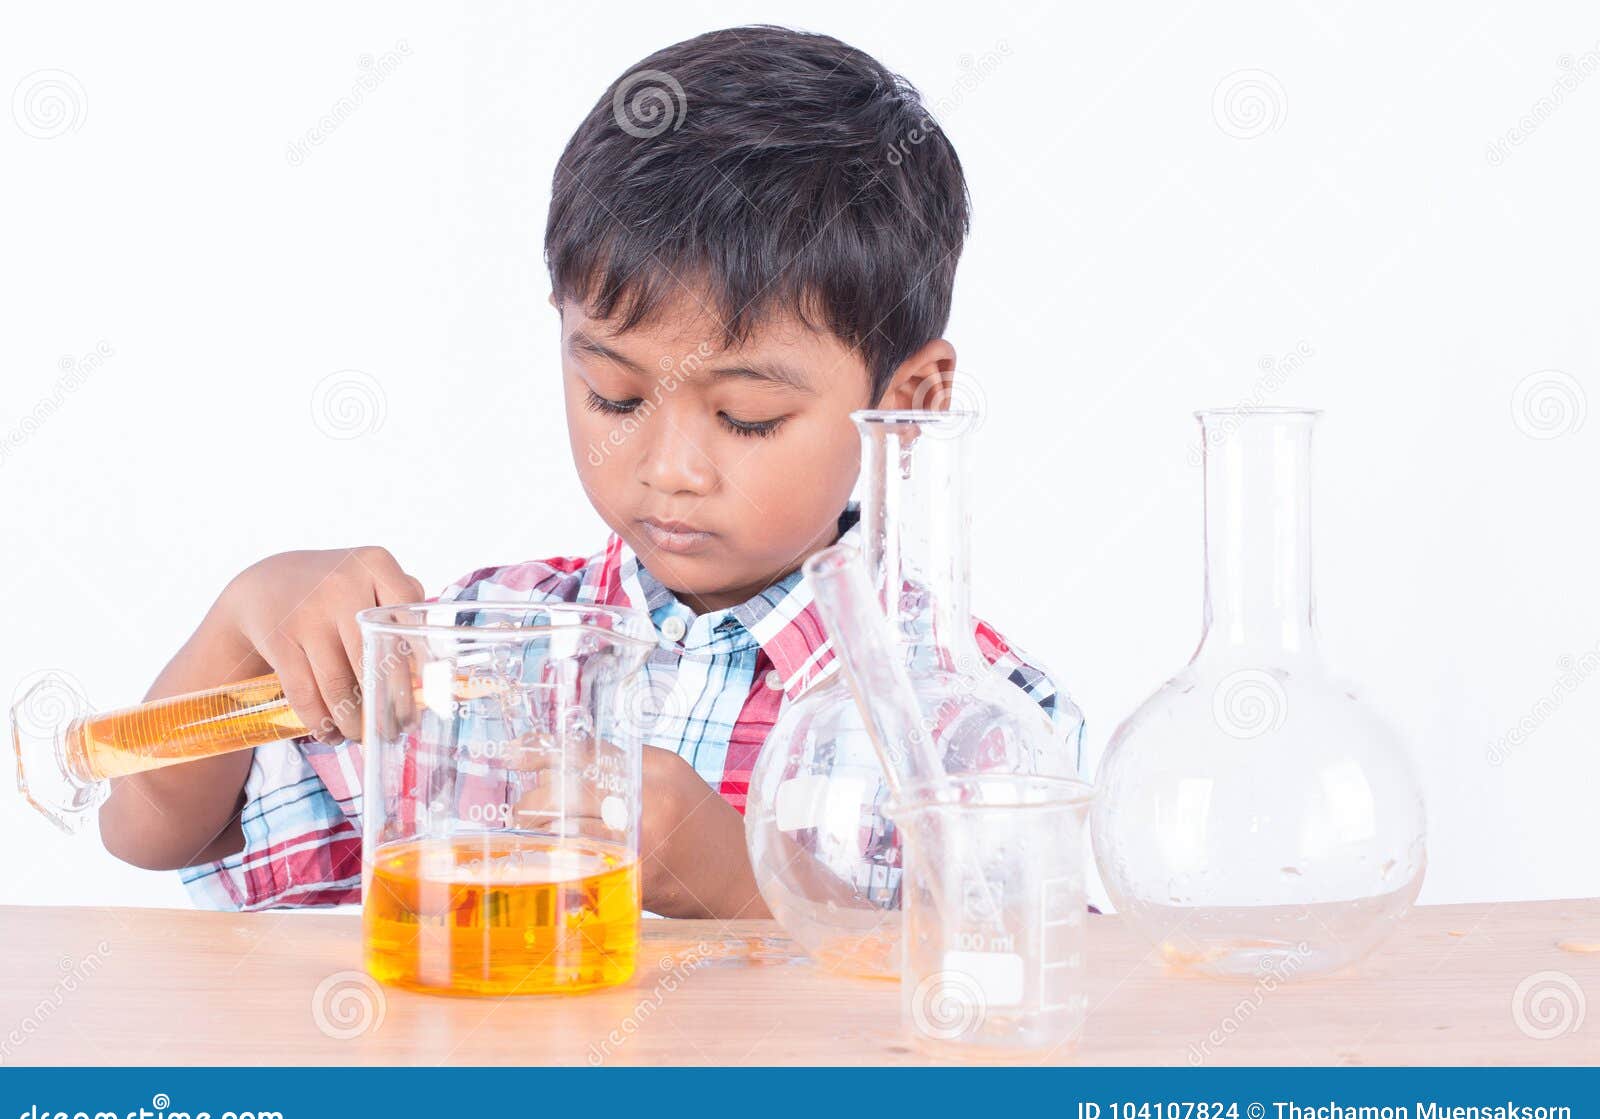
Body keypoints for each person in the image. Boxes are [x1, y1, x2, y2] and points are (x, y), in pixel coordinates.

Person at [98, 25, 1078, 917]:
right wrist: (243, 617)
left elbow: (1005, 1012)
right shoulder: (475, 648)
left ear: (906, 400)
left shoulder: (972, 715)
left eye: (747, 416)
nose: (670, 468)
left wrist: (741, 881)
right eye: (614, 393)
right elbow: (149, 830)